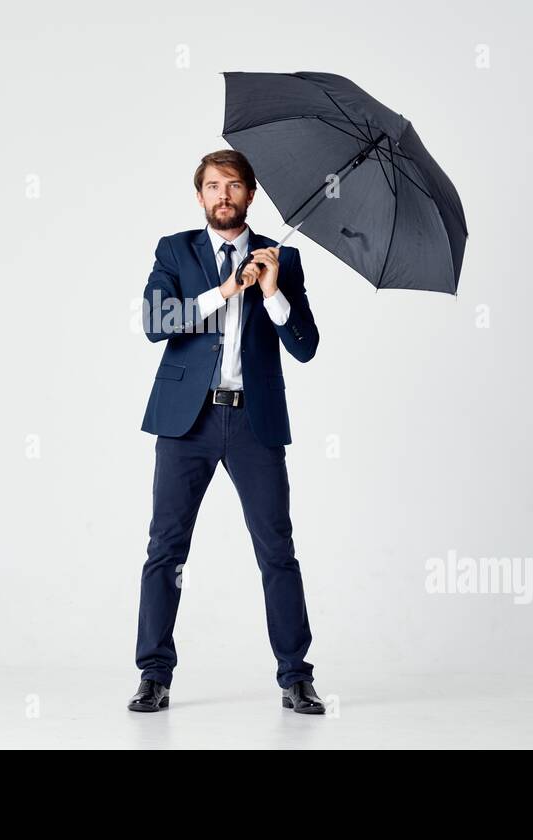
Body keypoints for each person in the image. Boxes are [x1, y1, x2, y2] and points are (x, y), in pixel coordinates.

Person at [130, 149, 325, 714]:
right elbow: (155, 322)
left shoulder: (282, 259)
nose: (223, 195)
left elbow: (307, 348)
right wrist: (226, 290)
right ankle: (154, 675)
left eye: (233, 185)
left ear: (250, 193)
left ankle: (296, 677)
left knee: (277, 551)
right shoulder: (175, 250)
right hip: (185, 423)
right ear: (199, 196)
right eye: (212, 185)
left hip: (253, 423)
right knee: (165, 551)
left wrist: (271, 291)